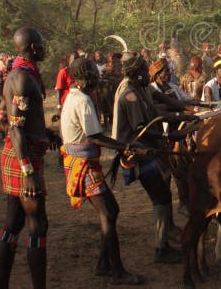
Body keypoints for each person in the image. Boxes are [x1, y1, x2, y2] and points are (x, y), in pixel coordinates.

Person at [59, 58, 144, 284]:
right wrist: (126, 146)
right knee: (108, 212)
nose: (98, 79)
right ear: (87, 77)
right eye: (94, 76)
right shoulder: (83, 101)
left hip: (80, 162)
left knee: (111, 211)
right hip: (83, 165)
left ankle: (103, 264)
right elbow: (95, 137)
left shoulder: (72, 96)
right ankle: (117, 272)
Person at [111, 52, 193, 263]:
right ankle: (160, 249)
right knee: (162, 198)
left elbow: (159, 112)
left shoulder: (142, 89)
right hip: (138, 154)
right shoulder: (130, 95)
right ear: (136, 73)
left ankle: (163, 241)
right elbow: (143, 130)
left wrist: (187, 115)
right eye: (145, 69)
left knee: (163, 194)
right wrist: (171, 134)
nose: (149, 73)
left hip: (150, 151)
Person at [0, 27, 59, 289]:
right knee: (38, 226)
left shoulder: (21, 74)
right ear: (33, 48)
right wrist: (28, 171)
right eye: (42, 44)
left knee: (14, 222)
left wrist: (44, 132)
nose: (45, 48)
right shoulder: (21, 77)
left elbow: (1, 119)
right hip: (24, 158)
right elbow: (15, 127)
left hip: (23, 152)